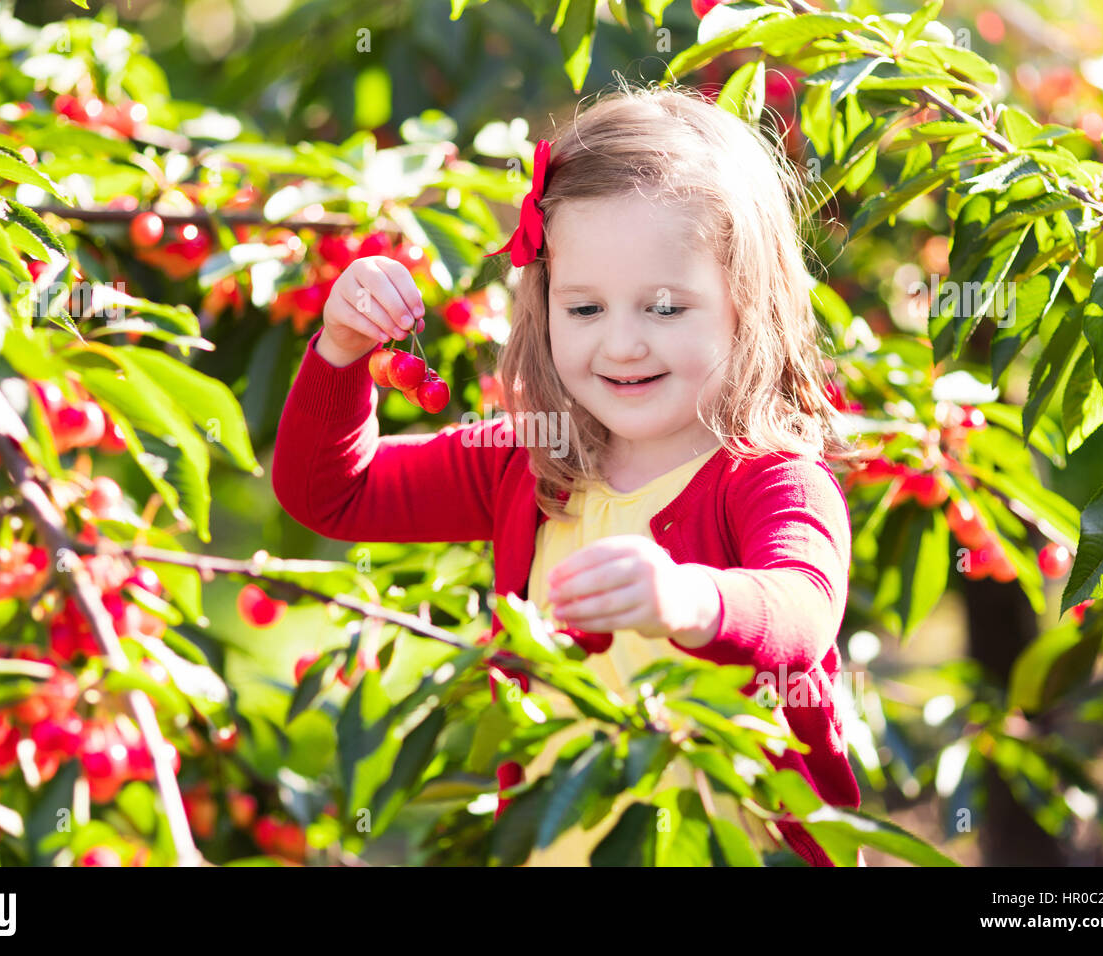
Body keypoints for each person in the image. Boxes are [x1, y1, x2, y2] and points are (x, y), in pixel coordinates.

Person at [272, 79, 866, 866]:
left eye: (664, 308)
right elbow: (334, 495)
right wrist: (342, 351)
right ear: (544, 303)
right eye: (585, 309)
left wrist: (691, 597)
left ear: (746, 307)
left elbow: (801, 609)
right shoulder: (534, 459)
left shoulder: (769, 481)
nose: (621, 344)